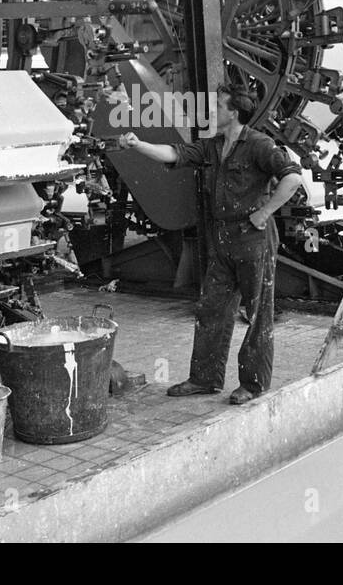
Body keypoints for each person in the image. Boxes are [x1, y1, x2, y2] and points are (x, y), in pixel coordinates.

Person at [118, 83, 304, 404]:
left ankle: (253, 384)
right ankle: (204, 378)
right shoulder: (214, 146)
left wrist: (264, 212)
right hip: (223, 238)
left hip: (253, 238)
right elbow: (174, 153)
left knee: (258, 312)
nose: (211, 111)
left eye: (218, 106)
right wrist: (138, 144)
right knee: (211, 308)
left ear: (234, 112)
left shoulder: (259, 145)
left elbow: (293, 177)